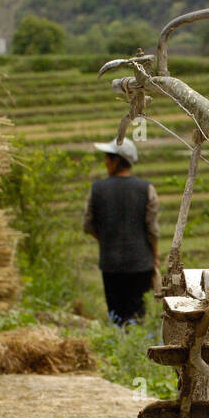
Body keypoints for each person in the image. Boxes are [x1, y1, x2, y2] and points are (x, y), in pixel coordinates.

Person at [82, 138, 159, 325]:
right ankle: (136, 349)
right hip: (141, 264)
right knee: (137, 316)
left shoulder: (97, 189)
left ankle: (117, 346)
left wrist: (107, 239)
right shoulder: (146, 189)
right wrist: (154, 257)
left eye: (108, 158)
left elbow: (88, 225)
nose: (105, 162)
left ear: (117, 161)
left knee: (116, 315)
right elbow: (152, 230)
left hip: (110, 264)